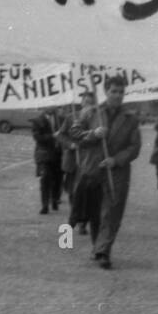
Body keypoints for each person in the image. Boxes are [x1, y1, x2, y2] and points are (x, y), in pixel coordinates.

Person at [69, 75, 141, 269]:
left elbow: (134, 147)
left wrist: (116, 160)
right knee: (95, 212)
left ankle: (103, 251)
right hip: (92, 169)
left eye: (121, 92)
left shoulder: (130, 119)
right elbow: (74, 133)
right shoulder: (90, 112)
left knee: (112, 212)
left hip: (117, 172)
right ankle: (97, 246)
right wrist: (92, 134)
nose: (117, 95)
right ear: (106, 91)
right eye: (113, 91)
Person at [57, 95, 88, 231]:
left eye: (91, 102)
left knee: (86, 191)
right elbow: (61, 135)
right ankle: (74, 216)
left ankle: (83, 222)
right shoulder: (71, 117)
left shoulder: (97, 118)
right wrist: (70, 145)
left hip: (88, 161)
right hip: (72, 161)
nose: (88, 105)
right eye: (86, 101)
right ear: (81, 103)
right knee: (72, 192)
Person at [32, 106, 62, 214]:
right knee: (45, 178)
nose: (51, 107)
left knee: (57, 178)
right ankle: (45, 205)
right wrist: (52, 136)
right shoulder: (38, 120)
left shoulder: (60, 118)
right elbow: (37, 137)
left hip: (58, 153)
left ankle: (54, 199)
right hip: (44, 154)